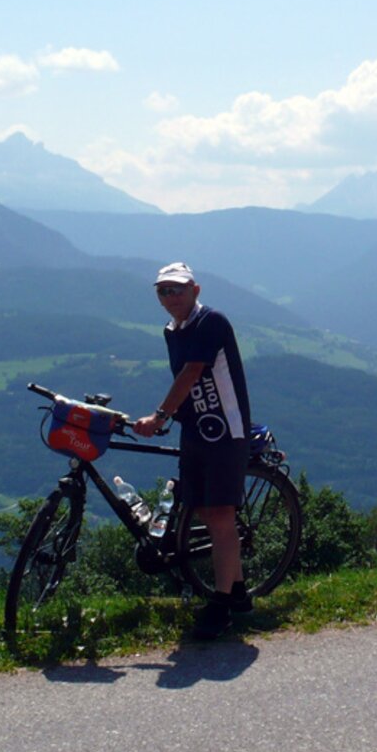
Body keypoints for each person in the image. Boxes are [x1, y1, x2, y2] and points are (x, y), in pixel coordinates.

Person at [130, 262, 254, 640]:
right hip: (196, 430)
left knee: (218, 514)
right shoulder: (173, 331)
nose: (170, 297)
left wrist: (160, 414)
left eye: (177, 290)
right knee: (202, 509)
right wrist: (170, 418)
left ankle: (220, 608)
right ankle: (238, 593)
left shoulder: (211, 322)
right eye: (162, 291)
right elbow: (184, 382)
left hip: (224, 430)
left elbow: (192, 372)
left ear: (196, 290)